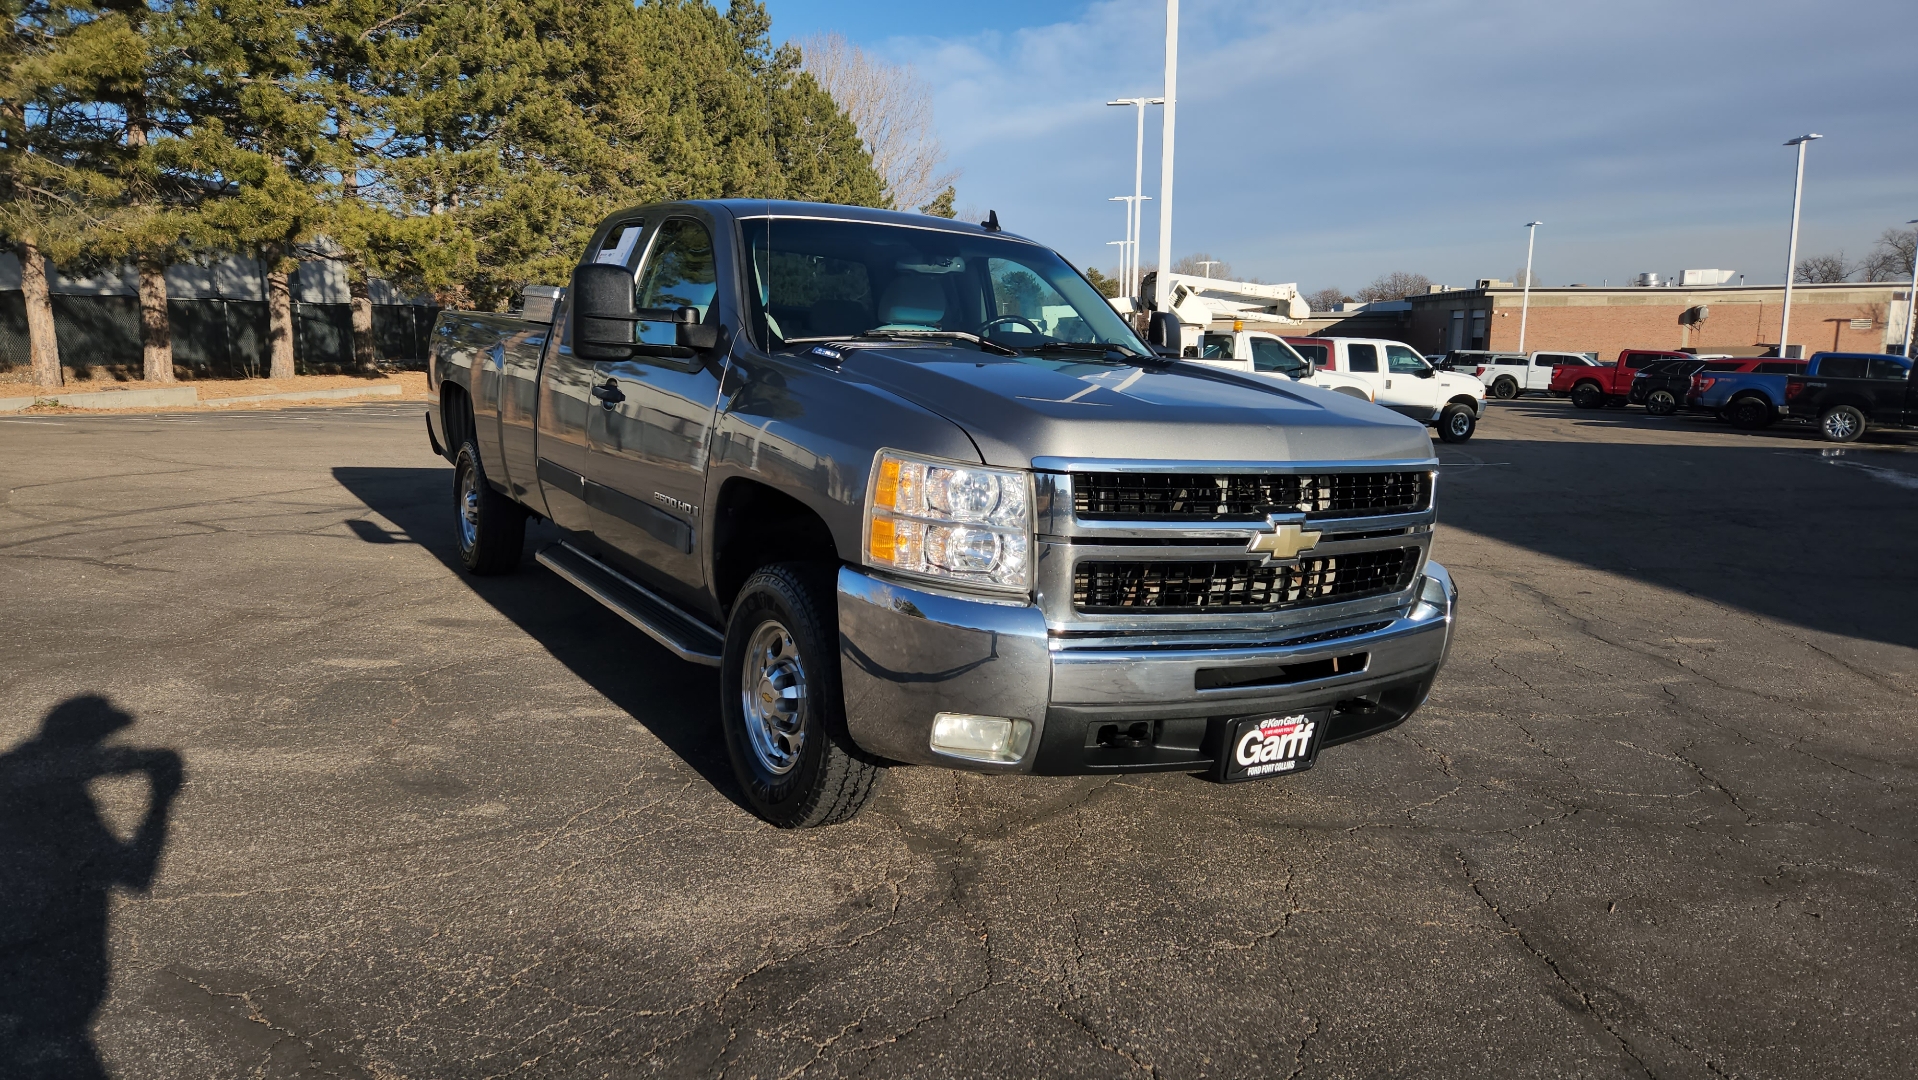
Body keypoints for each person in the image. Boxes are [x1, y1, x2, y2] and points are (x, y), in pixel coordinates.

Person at [0, 695, 183, 1079]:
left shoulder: (20, 777)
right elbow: (135, 873)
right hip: (39, 1009)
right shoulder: (58, 806)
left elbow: (33, 767)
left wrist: (113, 762)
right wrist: (161, 798)